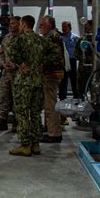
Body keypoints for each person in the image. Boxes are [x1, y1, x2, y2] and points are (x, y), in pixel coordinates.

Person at [7, 15, 44, 156]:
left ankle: (25, 145)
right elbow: (54, 53)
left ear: (23, 24)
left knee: (22, 113)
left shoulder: (20, 39)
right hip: (37, 81)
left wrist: (21, 64)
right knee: (35, 113)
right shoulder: (40, 39)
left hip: (23, 82)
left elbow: (11, 51)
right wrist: (41, 63)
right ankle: (36, 144)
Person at [0, 16, 21, 131]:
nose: (11, 25)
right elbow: (1, 53)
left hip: (18, 73)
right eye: (10, 24)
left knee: (17, 97)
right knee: (3, 96)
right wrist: (3, 64)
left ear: (19, 24)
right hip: (6, 72)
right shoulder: (7, 37)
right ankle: (2, 120)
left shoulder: (22, 38)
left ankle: (16, 122)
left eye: (13, 23)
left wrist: (16, 65)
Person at [39, 15, 65, 143]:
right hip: (50, 73)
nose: (40, 27)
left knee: (51, 105)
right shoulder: (50, 36)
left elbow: (55, 56)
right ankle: (49, 129)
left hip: (52, 74)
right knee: (48, 104)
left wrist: (40, 63)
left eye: (42, 25)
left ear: (49, 25)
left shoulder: (53, 37)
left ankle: (54, 134)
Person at [59, 20, 80, 99]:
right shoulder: (60, 38)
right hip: (63, 61)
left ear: (69, 27)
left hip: (71, 60)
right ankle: (62, 98)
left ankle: (76, 97)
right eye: (62, 27)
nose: (63, 28)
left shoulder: (75, 38)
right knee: (63, 80)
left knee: (73, 79)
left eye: (65, 26)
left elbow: (79, 49)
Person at [75, 20, 94, 98]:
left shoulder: (96, 40)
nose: (86, 30)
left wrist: (92, 58)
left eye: (88, 28)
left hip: (94, 70)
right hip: (82, 69)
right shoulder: (81, 40)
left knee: (94, 90)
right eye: (85, 29)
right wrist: (84, 58)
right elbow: (76, 53)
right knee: (81, 89)